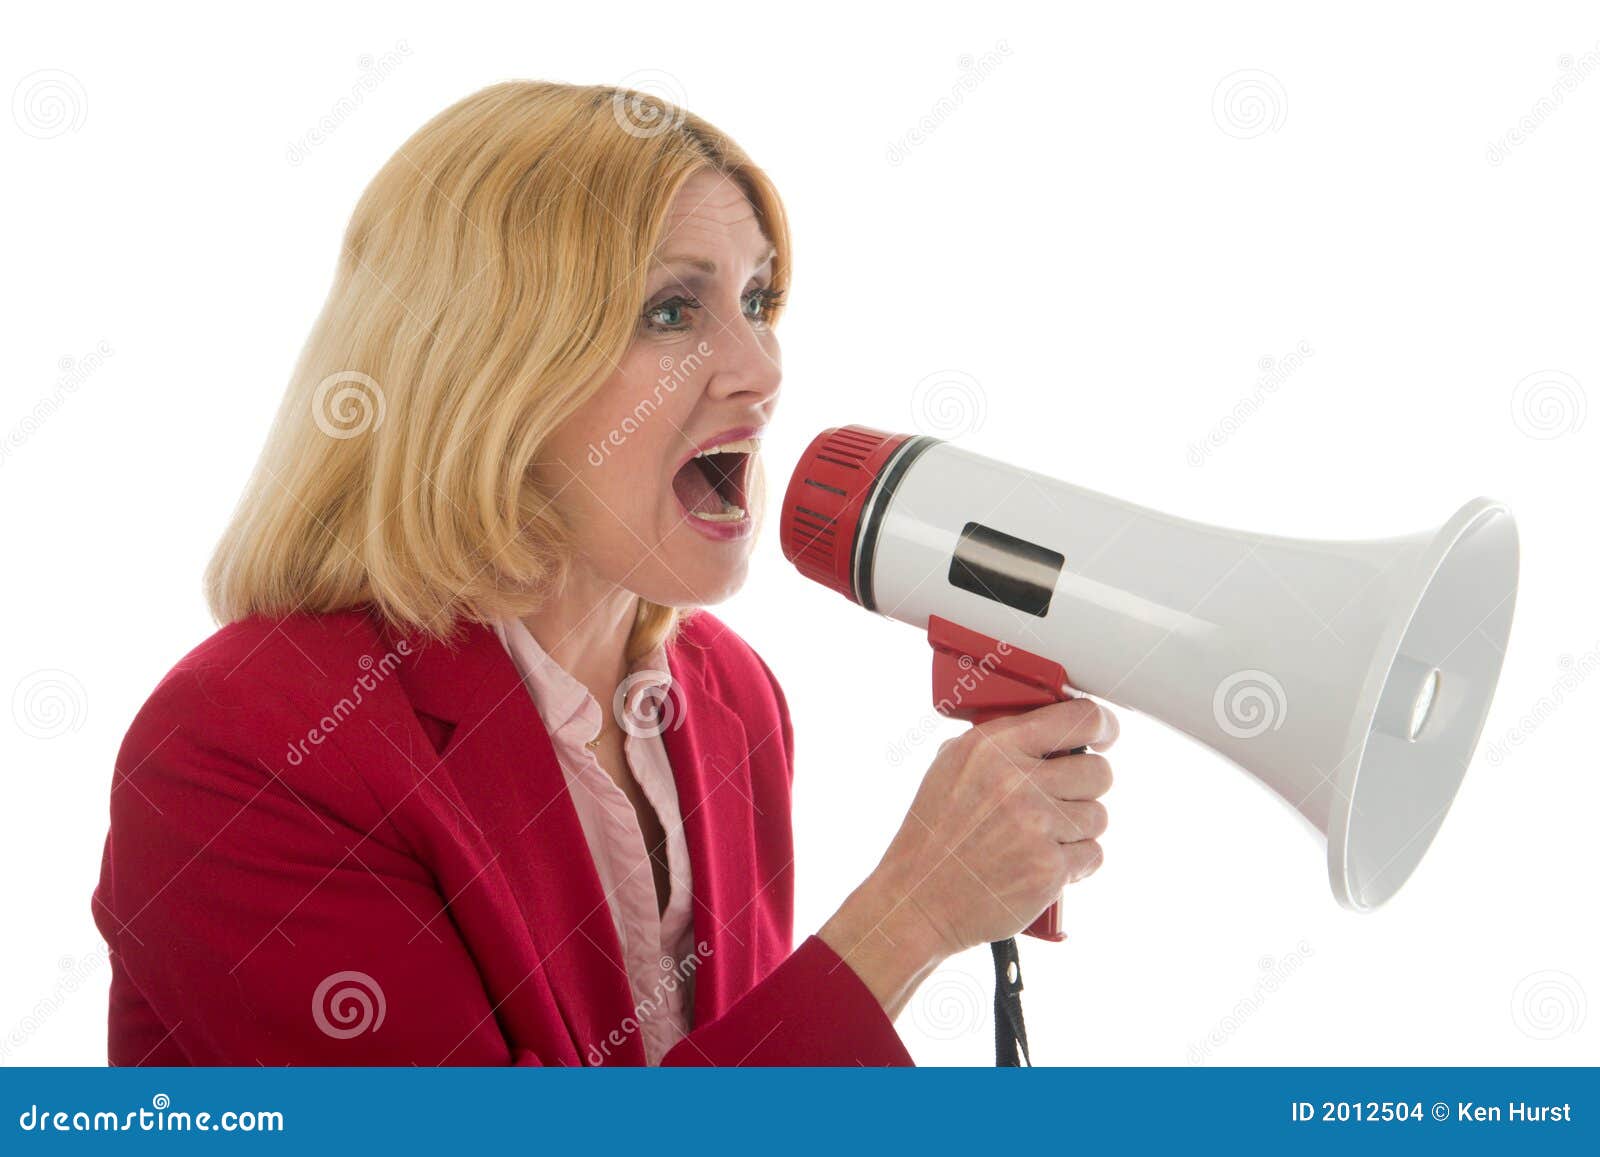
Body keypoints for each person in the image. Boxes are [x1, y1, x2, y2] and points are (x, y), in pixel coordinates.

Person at [91, 80, 1117, 1066]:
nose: (761, 367)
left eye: (757, 297)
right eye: (672, 310)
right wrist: (910, 915)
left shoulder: (727, 697)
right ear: (484, 364)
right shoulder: (244, 745)